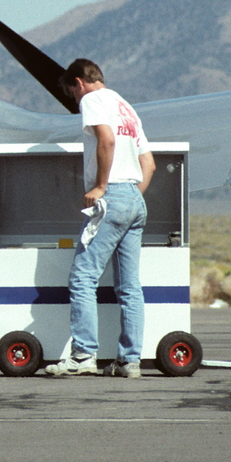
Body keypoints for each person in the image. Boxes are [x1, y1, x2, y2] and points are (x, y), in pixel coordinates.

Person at [45, 59, 155, 379]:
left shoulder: (92, 101)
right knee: (129, 287)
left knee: (83, 277)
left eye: (72, 95)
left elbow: (105, 140)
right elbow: (148, 164)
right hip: (134, 199)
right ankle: (129, 361)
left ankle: (83, 355)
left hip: (113, 196)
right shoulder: (125, 106)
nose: (76, 102)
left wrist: (102, 187)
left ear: (79, 83)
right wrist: (129, 200)